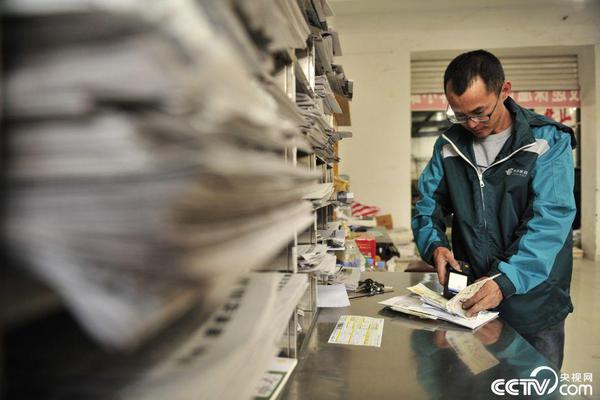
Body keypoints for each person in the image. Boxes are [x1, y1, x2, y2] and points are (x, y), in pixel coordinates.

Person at [411, 49, 576, 369]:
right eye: (459, 115)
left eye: (480, 112)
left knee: (533, 388)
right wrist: (435, 247)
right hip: (471, 302)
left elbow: (551, 219)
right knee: (472, 388)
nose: (471, 123)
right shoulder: (448, 145)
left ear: (504, 90)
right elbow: (427, 205)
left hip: (533, 304)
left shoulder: (546, 141)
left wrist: (505, 281)